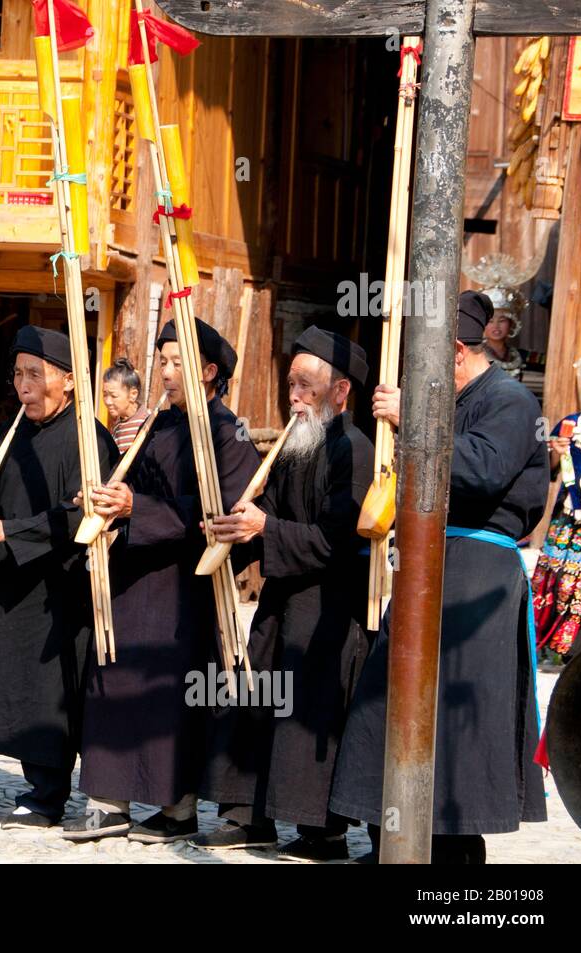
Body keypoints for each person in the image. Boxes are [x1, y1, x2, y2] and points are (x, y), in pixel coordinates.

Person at [330, 291, 548, 864]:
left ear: (452, 351)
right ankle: (392, 844)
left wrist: (416, 420)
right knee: (388, 705)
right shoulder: (453, 398)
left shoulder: (511, 402)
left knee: (453, 720)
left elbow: (477, 472)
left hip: (475, 576)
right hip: (425, 566)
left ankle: (450, 857)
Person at [64, 318, 259, 843]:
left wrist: (138, 508)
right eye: (163, 361)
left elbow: (222, 511)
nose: (166, 372)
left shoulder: (229, 432)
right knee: (111, 679)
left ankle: (178, 807)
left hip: (184, 588)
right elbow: (127, 486)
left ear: (209, 371)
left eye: (177, 362)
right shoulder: (155, 425)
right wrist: (106, 501)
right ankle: (108, 800)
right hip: (132, 577)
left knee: (170, 695)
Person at [0, 325, 118, 830]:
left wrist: (4, 529)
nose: (24, 385)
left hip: (59, 588)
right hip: (5, 577)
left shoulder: (90, 439)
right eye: (18, 374)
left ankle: (44, 796)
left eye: (36, 374)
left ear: (70, 381)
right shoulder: (11, 430)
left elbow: (83, 519)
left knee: (43, 692)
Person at [194, 326, 374, 861]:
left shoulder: (355, 451)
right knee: (256, 699)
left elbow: (339, 541)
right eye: (290, 384)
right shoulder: (296, 444)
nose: (294, 397)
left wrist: (264, 532)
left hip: (330, 607)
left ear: (340, 393)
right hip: (284, 598)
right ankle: (248, 814)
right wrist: (233, 532)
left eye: (307, 387)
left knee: (313, 712)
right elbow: (264, 509)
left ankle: (323, 830)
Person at [531, 355, 581, 658]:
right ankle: (552, 646)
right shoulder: (570, 424)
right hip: (570, 521)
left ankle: (580, 649)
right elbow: (548, 469)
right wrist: (557, 451)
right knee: (560, 581)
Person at [102, 357, 149, 453]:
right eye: (105, 395)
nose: (107, 401)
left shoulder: (147, 423)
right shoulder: (117, 427)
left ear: (133, 395)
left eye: (113, 396)